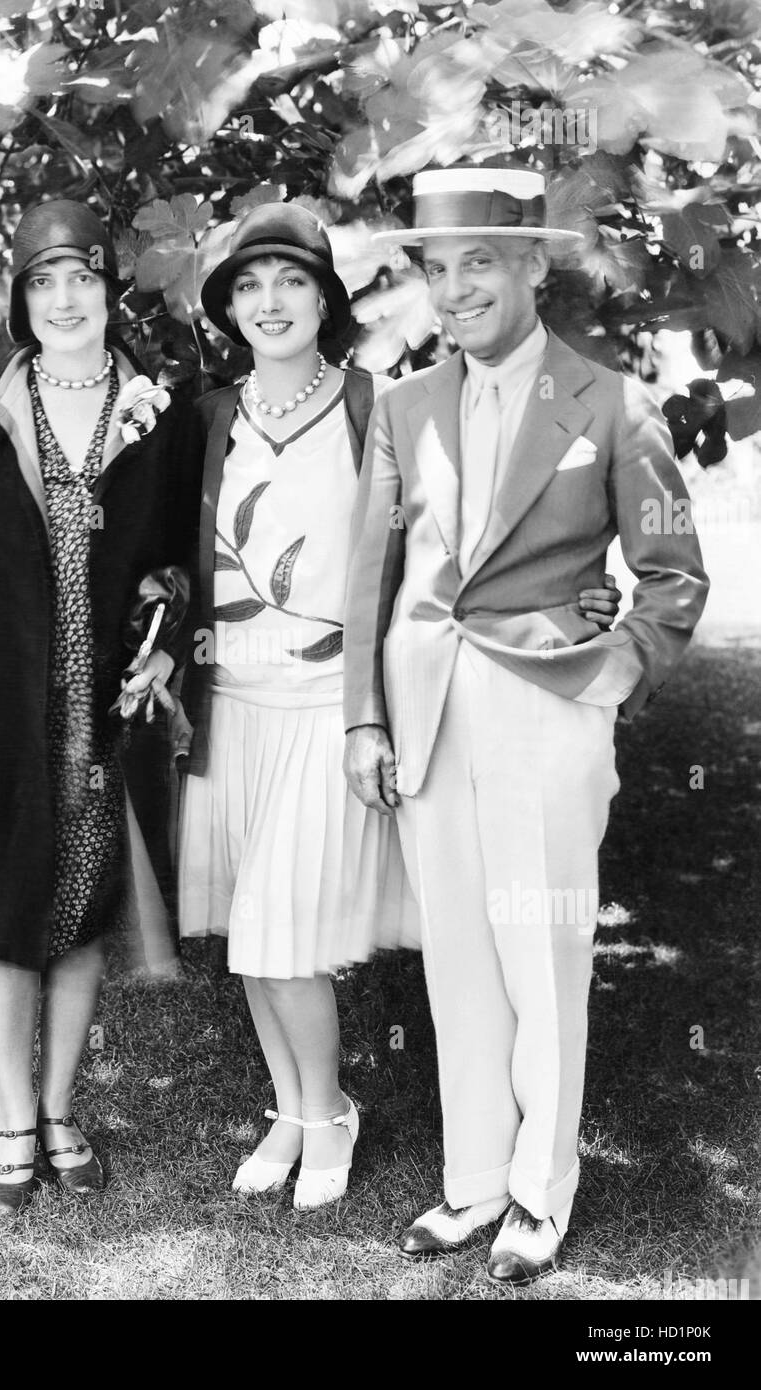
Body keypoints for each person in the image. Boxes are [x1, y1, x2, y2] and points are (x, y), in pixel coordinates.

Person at [178, 201, 622, 1212]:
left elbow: (466, 536)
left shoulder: (379, 403)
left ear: (327, 299)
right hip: (232, 704)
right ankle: (291, 1109)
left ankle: (333, 1108)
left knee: (277, 932)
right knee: (253, 936)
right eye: (248, 285)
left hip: (330, 710)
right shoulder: (204, 417)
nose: (269, 301)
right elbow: (166, 554)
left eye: (290, 280)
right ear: (229, 310)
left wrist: (571, 596)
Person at [343, 166, 709, 1281]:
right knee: (456, 957)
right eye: (437, 268)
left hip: (548, 714)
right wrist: (364, 719)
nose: (453, 290)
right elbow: (371, 579)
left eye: (478, 264)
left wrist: (609, 678)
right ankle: (473, 1183)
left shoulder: (612, 403)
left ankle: (541, 1197)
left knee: (542, 955)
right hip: (428, 713)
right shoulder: (401, 405)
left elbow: (672, 577)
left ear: (534, 263)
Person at [0, 199, 194, 1218]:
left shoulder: (162, 416)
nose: (64, 298)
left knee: (78, 911)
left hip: (99, 720)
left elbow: (182, 566)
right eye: (42, 280)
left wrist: (170, 616)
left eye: (82, 277)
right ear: (22, 301)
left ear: (111, 291)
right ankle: (14, 1113)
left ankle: (62, 1109)